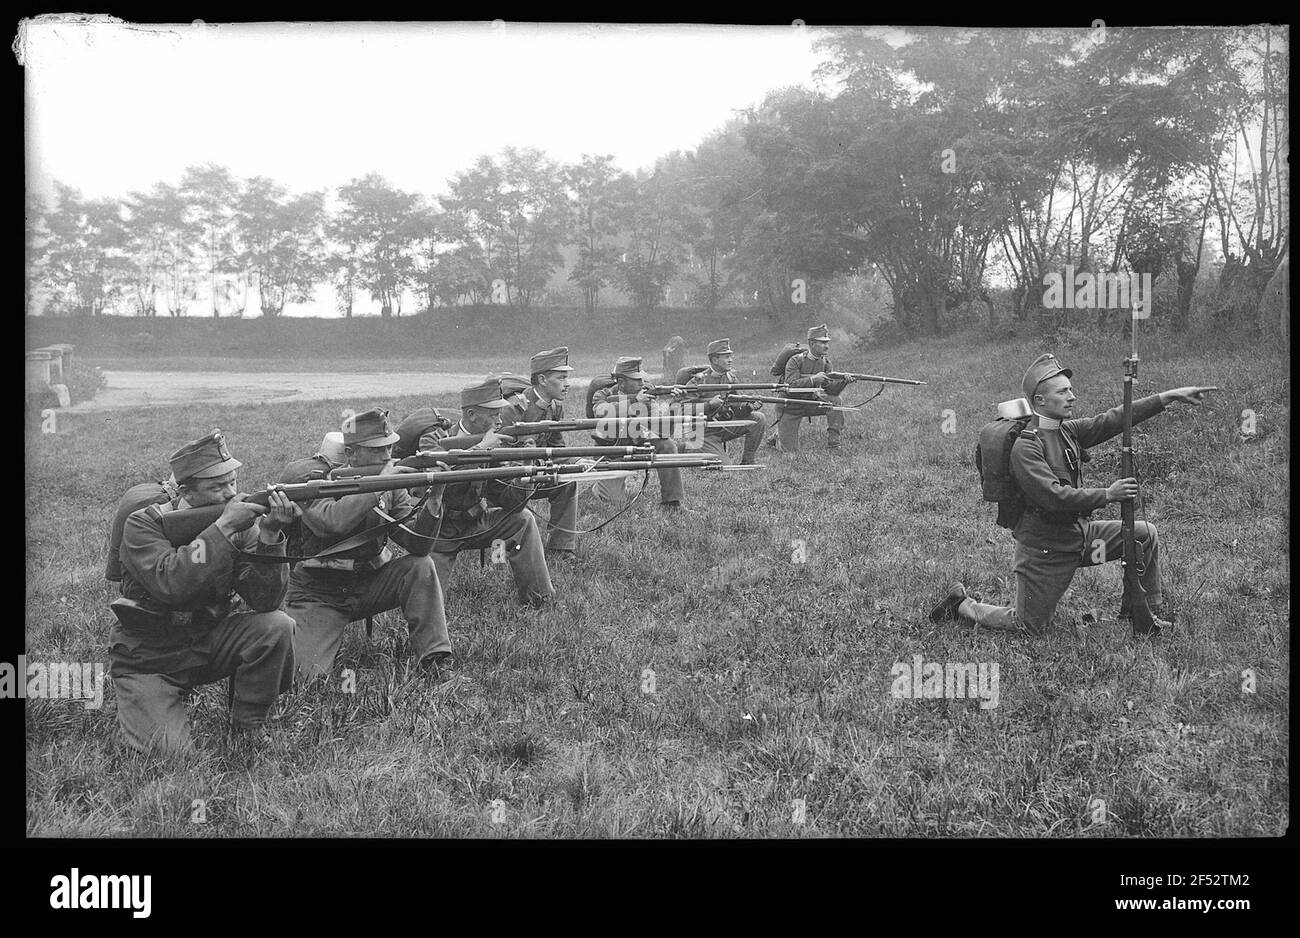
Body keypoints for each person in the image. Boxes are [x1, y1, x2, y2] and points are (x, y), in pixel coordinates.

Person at [929, 353, 1217, 635]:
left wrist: (1168, 397)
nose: (1072, 396)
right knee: (1028, 626)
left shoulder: (1067, 430)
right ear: (1040, 401)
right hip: (1046, 551)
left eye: (1071, 390)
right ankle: (963, 605)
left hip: (1081, 538)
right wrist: (1108, 494)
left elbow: (1112, 420)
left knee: (1143, 534)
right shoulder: (1026, 446)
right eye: (1063, 391)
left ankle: (1142, 611)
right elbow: (1054, 497)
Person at [111, 430, 298, 753]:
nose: (230, 494)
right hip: (149, 655)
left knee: (277, 625)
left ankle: (248, 725)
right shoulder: (144, 524)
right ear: (186, 492)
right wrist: (223, 528)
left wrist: (270, 534)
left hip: (206, 640)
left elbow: (265, 600)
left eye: (233, 482)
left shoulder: (241, 526)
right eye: (217, 487)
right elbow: (172, 584)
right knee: (173, 760)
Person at [284, 409, 453, 679]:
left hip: (368, 585)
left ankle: (435, 658)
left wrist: (434, 500)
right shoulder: (317, 483)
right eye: (376, 450)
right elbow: (332, 523)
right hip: (319, 594)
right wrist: (379, 485)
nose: (387, 456)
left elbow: (416, 546)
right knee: (304, 678)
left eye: (388, 447)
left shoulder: (391, 484)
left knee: (420, 566)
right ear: (351, 454)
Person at [429, 378, 556, 606]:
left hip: (476, 523)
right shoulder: (437, 439)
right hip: (440, 534)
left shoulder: (492, 443)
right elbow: (441, 485)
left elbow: (510, 502)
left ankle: (540, 599)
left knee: (523, 520)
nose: (499, 421)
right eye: (493, 415)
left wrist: (525, 468)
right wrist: (480, 450)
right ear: (471, 415)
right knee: (431, 606)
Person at [496, 348, 580, 558]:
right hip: (507, 480)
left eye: (566, 377)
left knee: (567, 481)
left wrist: (578, 461)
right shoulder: (512, 409)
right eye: (561, 378)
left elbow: (556, 447)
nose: (567, 383)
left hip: (535, 473)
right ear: (542, 379)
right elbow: (497, 456)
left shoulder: (555, 407)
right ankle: (497, 554)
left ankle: (561, 548)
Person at [589, 356, 691, 511]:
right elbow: (601, 413)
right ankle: (597, 488)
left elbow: (663, 432)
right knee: (616, 505)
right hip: (611, 454)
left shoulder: (646, 395)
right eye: (636, 380)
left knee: (667, 445)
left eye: (641, 378)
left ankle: (672, 503)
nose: (641, 382)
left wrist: (673, 406)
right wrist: (634, 402)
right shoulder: (602, 395)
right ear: (621, 382)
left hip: (638, 446)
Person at [684, 337, 765, 465]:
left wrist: (749, 406)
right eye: (726, 357)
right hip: (703, 433)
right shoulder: (698, 381)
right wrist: (709, 405)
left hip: (722, 427)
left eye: (730, 356)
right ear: (714, 359)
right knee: (725, 468)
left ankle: (748, 461)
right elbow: (683, 409)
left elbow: (738, 410)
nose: (731, 360)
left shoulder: (731, 378)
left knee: (758, 418)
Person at [773, 323, 848, 453]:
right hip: (790, 407)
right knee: (789, 453)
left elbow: (830, 390)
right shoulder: (795, 360)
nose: (827, 346)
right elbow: (790, 386)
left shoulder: (825, 362)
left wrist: (844, 382)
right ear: (812, 343)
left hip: (811, 402)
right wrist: (813, 379)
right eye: (822, 342)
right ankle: (776, 436)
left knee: (836, 401)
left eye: (827, 342)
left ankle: (834, 444)